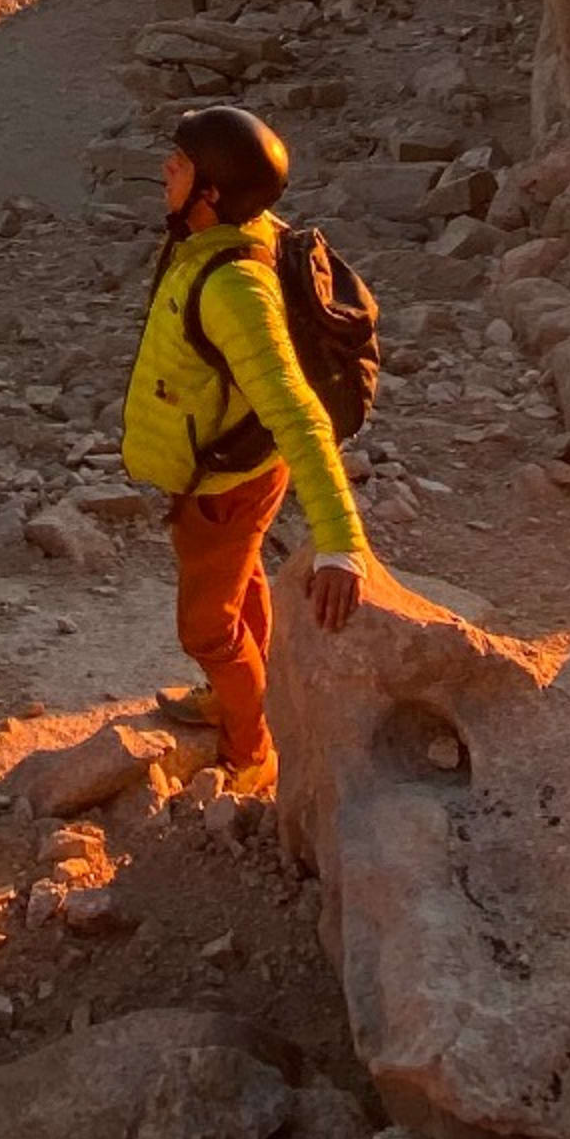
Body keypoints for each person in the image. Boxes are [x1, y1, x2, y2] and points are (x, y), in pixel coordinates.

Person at [120, 104, 369, 785]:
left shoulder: (233, 288)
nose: (166, 168)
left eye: (182, 163)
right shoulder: (232, 230)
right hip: (244, 464)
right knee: (241, 578)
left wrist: (340, 543)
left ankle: (250, 749)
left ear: (212, 192)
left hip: (224, 484)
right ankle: (251, 693)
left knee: (204, 630)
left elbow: (298, 412)